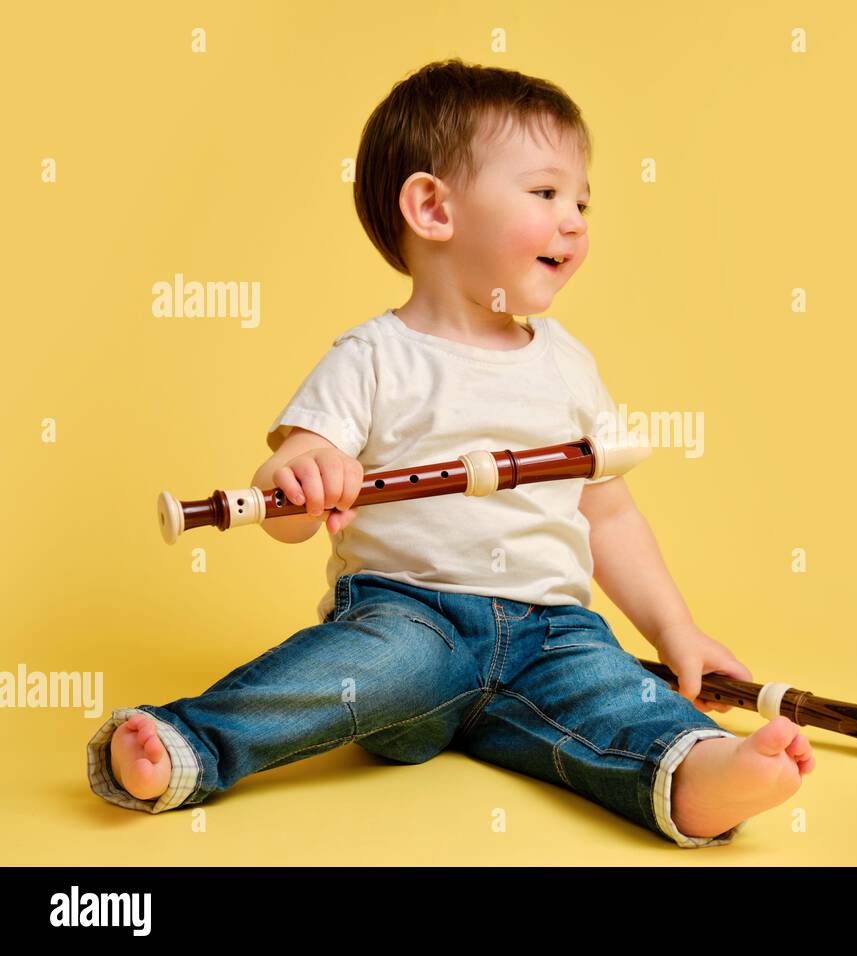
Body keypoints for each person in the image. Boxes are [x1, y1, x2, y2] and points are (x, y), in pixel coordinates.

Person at [87, 58, 814, 847]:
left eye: (581, 199)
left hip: (553, 634)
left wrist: (676, 631)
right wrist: (298, 475)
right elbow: (290, 511)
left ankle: (696, 773)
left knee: (615, 698)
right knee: (349, 675)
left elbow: (608, 512)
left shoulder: (568, 364)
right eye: (545, 193)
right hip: (408, 616)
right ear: (433, 207)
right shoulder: (373, 357)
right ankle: (194, 743)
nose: (574, 219)